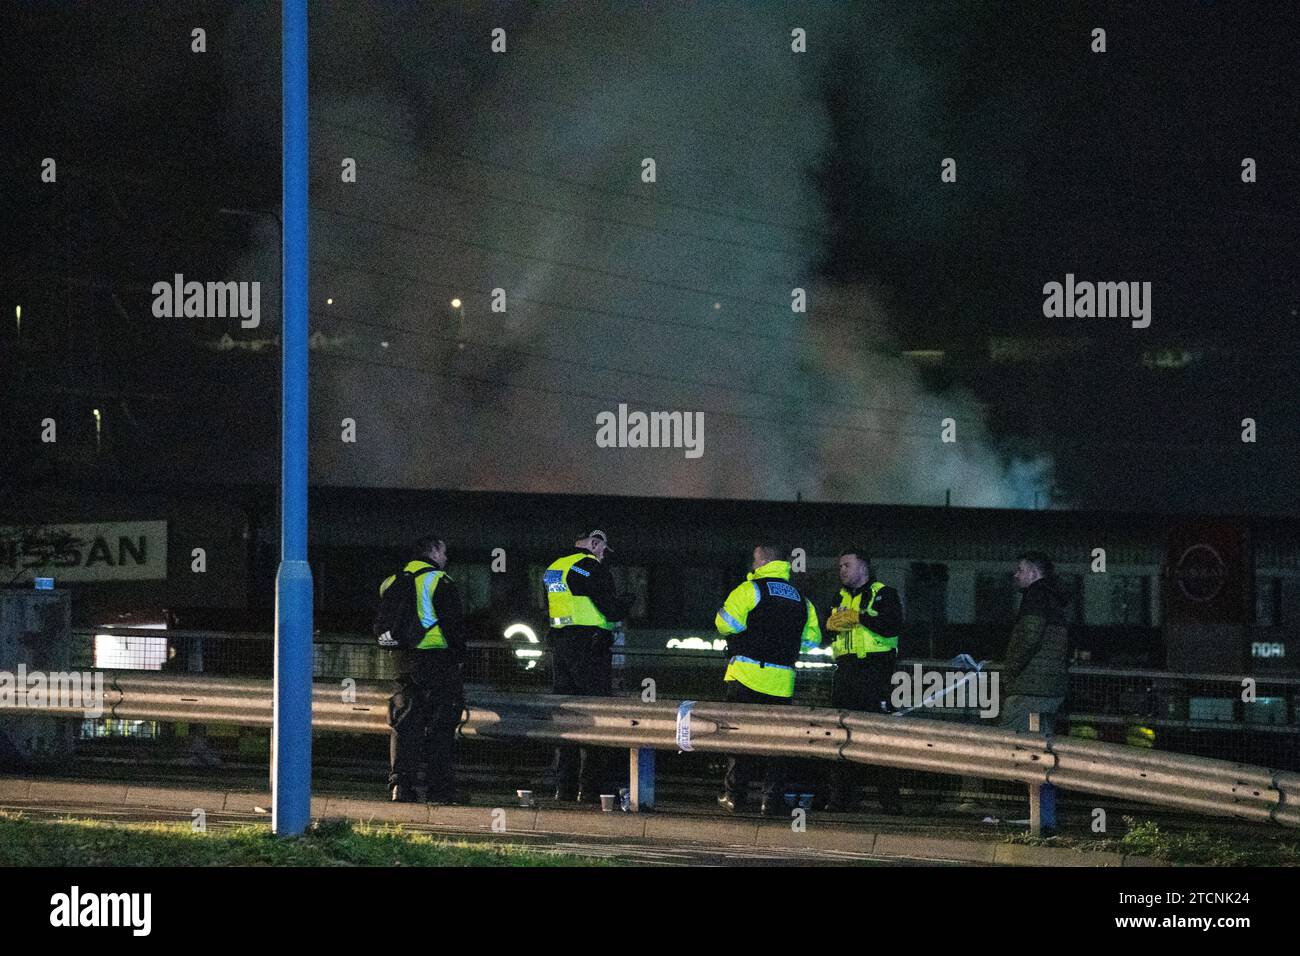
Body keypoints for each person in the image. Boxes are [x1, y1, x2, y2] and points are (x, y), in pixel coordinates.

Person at [714, 543, 822, 815]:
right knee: (777, 744)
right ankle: (771, 800)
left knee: (739, 739)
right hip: (781, 683)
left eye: (754, 558)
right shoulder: (801, 599)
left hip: (745, 677)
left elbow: (724, 623)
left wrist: (748, 634)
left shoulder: (750, 590)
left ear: (762, 561)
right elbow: (812, 641)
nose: (752, 564)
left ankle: (734, 797)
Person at [544, 530, 631, 803]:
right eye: (603, 548)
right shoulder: (590, 567)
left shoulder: (553, 568)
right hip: (590, 649)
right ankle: (590, 788)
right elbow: (611, 610)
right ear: (594, 543)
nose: (603, 554)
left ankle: (564, 786)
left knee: (566, 717)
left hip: (560, 648)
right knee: (596, 715)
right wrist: (628, 601)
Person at [381, 533, 467, 803]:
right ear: (432, 552)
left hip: (402, 663)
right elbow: (455, 627)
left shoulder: (391, 581)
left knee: (405, 726)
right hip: (437, 662)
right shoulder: (440, 581)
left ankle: (400, 787)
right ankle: (439, 790)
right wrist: (458, 658)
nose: (446, 557)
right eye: (443, 552)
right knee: (441, 728)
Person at [821, 546, 905, 813]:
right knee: (841, 735)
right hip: (845, 672)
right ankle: (840, 799)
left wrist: (858, 617)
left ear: (863, 568)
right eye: (840, 566)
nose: (841, 570)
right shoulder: (839, 597)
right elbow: (829, 628)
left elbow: (892, 625)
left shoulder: (883, 594)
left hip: (875, 672)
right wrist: (830, 625)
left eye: (846, 565)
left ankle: (890, 803)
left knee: (879, 736)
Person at [1000, 551, 1071, 734]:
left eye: (1020, 570)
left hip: (1030, 689)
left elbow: (1029, 637)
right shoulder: (1054, 600)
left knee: (1013, 741)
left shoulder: (1035, 597)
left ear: (1033, 573)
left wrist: (1011, 671)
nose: (1016, 575)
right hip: (1050, 689)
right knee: (1039, 739)